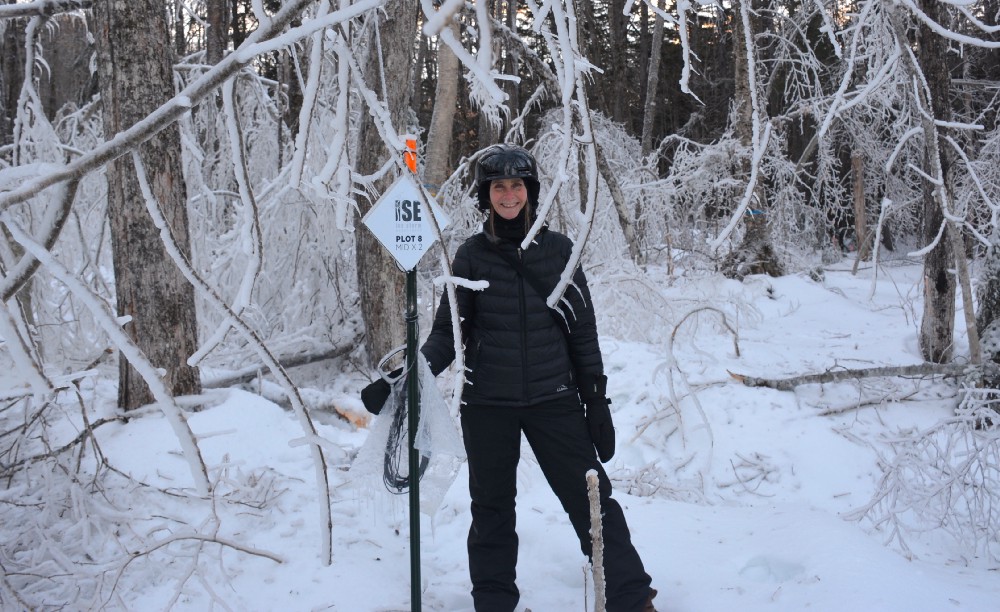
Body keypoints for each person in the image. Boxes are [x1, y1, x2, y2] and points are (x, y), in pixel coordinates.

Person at [362, 143, 657, 612]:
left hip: (554, 398)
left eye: (516, 185)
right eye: (499, 186)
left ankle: (631, 597)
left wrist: (596, 401)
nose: (508, 195)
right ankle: (494, 603)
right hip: (488, 405)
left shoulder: (560, 251)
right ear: (486, 195)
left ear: (530, 191)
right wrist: (406, 377)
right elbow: (447, 335)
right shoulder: (470, 257)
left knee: (591, 499)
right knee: (492, 511)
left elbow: (583, 333)